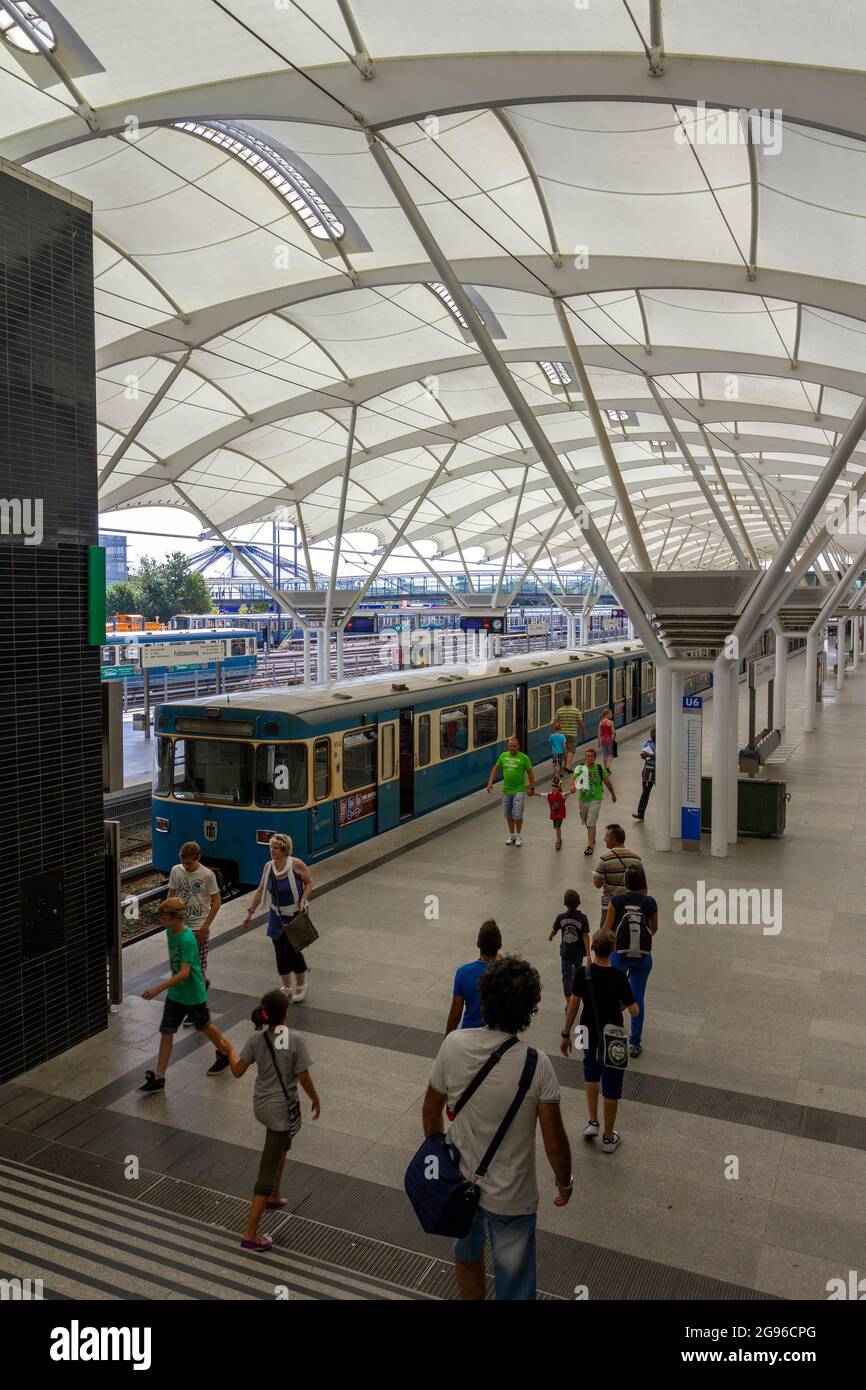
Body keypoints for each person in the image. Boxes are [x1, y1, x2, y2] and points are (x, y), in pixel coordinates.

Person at [423, 956, 573, 1301]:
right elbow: (555, 1143)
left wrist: (437, 1156)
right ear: (528, 1009)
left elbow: (430, 1109)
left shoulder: (454, 1044)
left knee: (466, 1254)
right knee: (514, 1281)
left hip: (460, 1184)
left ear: (485, 997)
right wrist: (564, 1181)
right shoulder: (537, 1064)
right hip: (512, 1196)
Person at [224, 989, 320, 1252]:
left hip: (262, 1105)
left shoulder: (256, 1039)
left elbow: (237, 1071)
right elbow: (303, 1077)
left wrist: (230, 1049)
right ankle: (250, 1233)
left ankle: (275, 1196)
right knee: (268, 1166)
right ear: (286, 1014)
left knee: (283, 1143)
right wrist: (315, 1098)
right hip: (279, 1109)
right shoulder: (296, 1039)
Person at [138, 898, 232, 1091]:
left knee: (204, 1026)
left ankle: (225, 1052)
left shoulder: (187, 938)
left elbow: (184, 973)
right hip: (176, 994)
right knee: (167, 1031)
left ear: (175, 918)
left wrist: (158, 988)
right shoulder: (170, 932)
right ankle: (159, 1077)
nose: (161, 922)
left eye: (164, 918)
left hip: (192, 994)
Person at [560, 930, 639, 1154]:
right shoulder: (619, 977)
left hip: (587, 1028)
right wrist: (618, 1006)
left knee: (590, 1070)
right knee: (612, 1083)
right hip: (612, 1034)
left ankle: (592, 1122)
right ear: (613, 950)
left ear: (592, 948)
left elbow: (573, 1006)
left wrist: (566, 1034)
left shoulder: (582, 974)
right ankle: (608, 1136)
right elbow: (635, 1010)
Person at [242, 834, 313, 1002]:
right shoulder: (269, 867)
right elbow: (260, 890)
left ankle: (301, 984)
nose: (272, 851)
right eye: (271, 848)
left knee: (291, 951)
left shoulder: (296, 864)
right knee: (279, 952)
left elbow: (309, 882)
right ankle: (287, 986)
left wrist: (303, 900)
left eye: (275, 848)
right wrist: (249, 912)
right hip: (276, 915)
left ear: (284, 850)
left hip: (295, 914)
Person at [169, 842, 221, 1057]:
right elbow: (171, 895)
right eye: (184, 863)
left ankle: (196, 1008)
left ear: (198, 858)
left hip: (198, 927)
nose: (186, 867)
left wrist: (205, 926)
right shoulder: (176, 870)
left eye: (189, 864)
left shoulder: (207, 875)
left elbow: (216, 901)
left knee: (195, 968)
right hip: (181, 927)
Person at [605, 864, 658, 1057]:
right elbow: (654, 929)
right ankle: (635, 1043)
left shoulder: (616, 900)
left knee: (613, 995)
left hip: (619, 956)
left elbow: (607, 929)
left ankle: (612, 1033)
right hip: (643, 957)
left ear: (626, 881)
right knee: (637, 998)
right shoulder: (650, 902)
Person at [445, 920, 502, 1033]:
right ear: (499, 946)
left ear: (478, 944)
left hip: (469, 1033)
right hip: (497, 1035)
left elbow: (455, 1015)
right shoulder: (506, 972)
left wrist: (447, 1039)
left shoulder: (463, 972)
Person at [487, 735, 537, 847]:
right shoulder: (503, 756)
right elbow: (495, 768)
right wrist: (490, 782)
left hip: (519, 790)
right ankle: (511, 835)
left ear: (518, 746)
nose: (512, 748)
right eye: (510, 746)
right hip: (506, 790)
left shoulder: (524, 758)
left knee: (518, 814)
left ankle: (518, 835)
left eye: (514, 746)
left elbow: (530, 773)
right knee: (508, 814)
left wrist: (532, 788)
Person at [593, 823, 643, 928]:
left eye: (606, 837)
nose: (604, 839)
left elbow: (598, 884)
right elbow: (642, 887)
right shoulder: (636, 859)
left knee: (606, 934)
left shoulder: (605, 859)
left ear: (614, 840)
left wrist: (595, 876)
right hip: (630, 906)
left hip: (610, 904)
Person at [548, 888, 591, 1003]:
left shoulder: (561, 917)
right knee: (577, 974)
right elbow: (586, 936)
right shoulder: (583, 918)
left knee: (566, 975)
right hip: (578, 953)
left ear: (565, 903)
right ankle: (576, 997)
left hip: (565, 952)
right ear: (579, 903)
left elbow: (555, 929)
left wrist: (551, 936)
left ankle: (568, 1001)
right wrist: (589, 955)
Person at [574, 747, 616, 855]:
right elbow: (574, 780)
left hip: (595, 798)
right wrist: (573, 787)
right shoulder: (579, 768)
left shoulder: (599, 768)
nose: (589, 758)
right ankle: (592, 837)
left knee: (591, 821)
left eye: (591, 756)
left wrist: (613, 794)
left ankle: (589, 846)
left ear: (594, 757)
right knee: (587, 821)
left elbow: (607, 782)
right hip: (583, 799)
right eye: (587, 756)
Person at [553, 694, 587, 773]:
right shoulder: (576, 710)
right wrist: (584, 731)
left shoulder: (559, 711)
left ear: (564, 702)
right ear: (571, 702)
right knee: (571, 750)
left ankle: (566, 765)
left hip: (561, 734)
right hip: (572, 734)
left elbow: (555, 723)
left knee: (564, 750)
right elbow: (581, 722)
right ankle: (568, 765)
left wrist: (554, 733)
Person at [546, 775, 575, 851]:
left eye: (555, 786)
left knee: (558, 827)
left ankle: (558, 842)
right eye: (553, 786)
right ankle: (560, 840)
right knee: (556, 828)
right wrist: (534, 793)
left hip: (560, 814)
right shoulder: (549, 794)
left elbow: (567, 793)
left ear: (558, 787)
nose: (554, 788)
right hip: (554, 814)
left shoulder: (561, 795)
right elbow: (541, 795)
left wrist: (572, 791)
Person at [633, 726, 656, 821]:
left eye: (654, 732)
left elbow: (662, 756)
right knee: (645, 792)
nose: (652, 734)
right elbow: (642, 755)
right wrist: (652, 756)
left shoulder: (663, 743)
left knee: (664, 792)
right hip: (648, 769)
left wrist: (650, 755)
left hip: (659, 770)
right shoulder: (646, 743)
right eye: (651, 732)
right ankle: (640, 813)